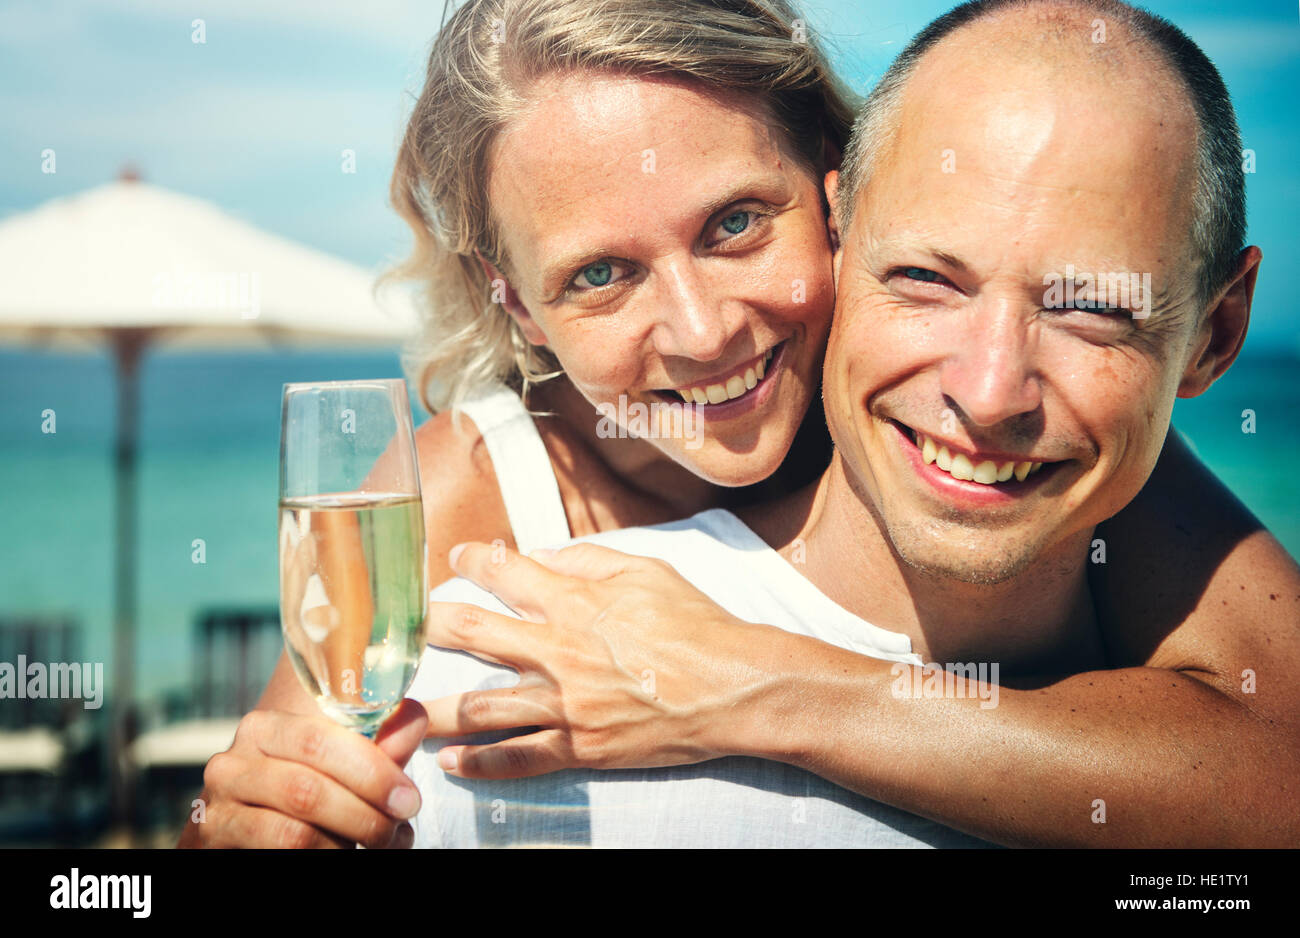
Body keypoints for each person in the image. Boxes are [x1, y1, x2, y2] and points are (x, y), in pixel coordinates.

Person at [177, 0, 1299, 848]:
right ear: (515, 301)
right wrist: (234, 817)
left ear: (832, 189)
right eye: (600, 274)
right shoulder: (463, 501)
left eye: (734, 223)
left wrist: (758, 679)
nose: (704, 330)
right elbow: (293, 791)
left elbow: (1274, 756)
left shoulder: (992, 407)